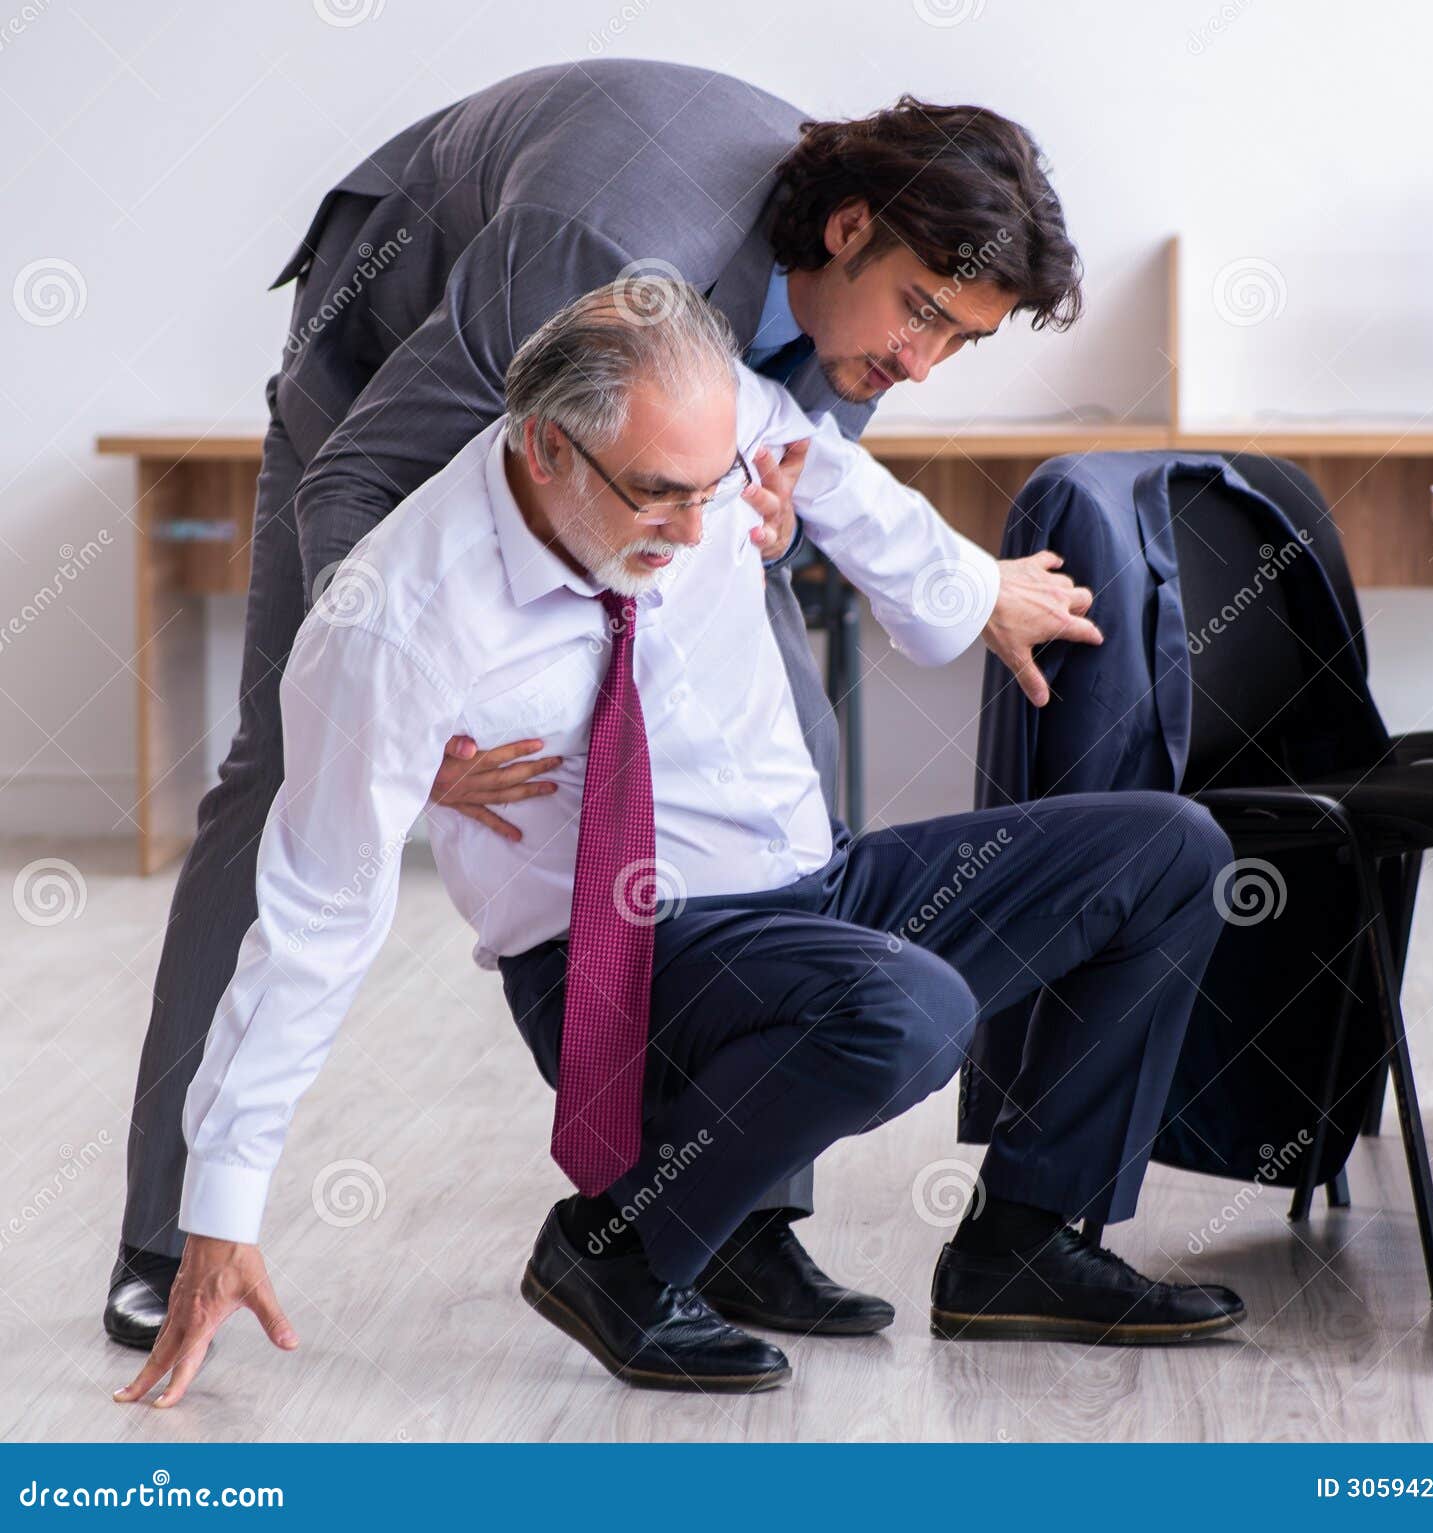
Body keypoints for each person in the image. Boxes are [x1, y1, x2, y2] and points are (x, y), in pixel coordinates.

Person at [107, 59, 1097, 1349]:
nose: (922, 361)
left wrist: (953, 584)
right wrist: (396, 725)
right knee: (288, 771)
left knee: (794, 715)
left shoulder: (840, 280)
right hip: (390, 367)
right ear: (849, 230)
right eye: (919, 314)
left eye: (956, 338)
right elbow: (361, 473)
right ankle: (173, 1228)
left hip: (622, 367)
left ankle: (725, 1215)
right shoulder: (608, 249)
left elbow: (791, 455)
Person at [114, 283, 1243, 1408]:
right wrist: (219, 1206)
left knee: (1169, 851)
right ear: (546, 446)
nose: (697, 533)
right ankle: (616, 1251)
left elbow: (828, 471)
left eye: (709, 491)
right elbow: (318, 910)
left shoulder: (711, 445)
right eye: (658, 497)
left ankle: (1025, 1244)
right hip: (627, 963)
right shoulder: (394, 619)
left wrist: (959, 584)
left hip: (818, 891)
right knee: (909, 1009)